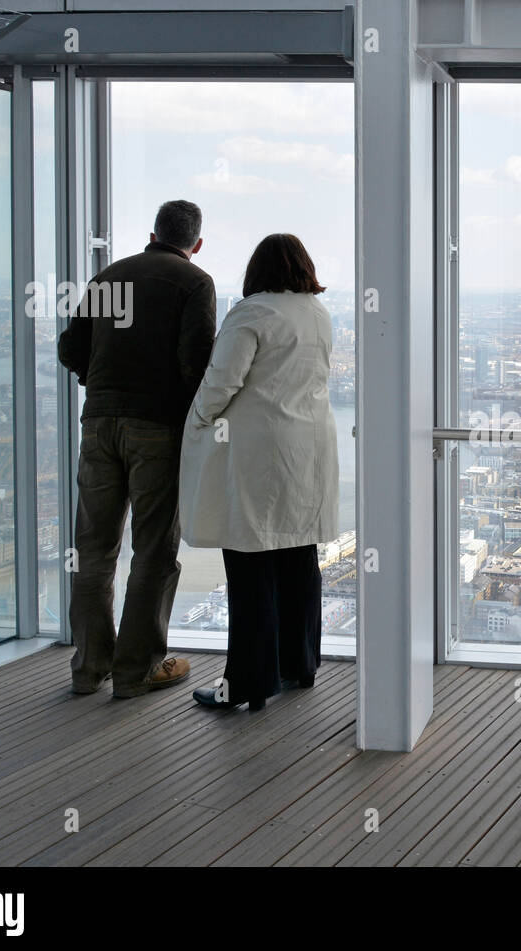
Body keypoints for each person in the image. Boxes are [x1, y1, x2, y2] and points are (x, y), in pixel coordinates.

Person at [58, 199, 215, 698]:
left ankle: (88, 669)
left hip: (99, 423)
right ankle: (136, 671)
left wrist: (96, 383)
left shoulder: (110, 277)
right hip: (157, 429)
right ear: (196, 243)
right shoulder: (195, 282)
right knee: (153, 551)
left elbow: (69, 348)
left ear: (153, 232)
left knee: (94, 551)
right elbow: (196, 361)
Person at [180, 234, 339, 712]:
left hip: (257, 451)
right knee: (298, 558)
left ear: (257, 270)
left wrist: (200, 418)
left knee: (250, 564)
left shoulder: (251, 313)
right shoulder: (319, 314)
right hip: (309, 447)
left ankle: (249, 683)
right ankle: (299, 664)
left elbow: (222, 381)